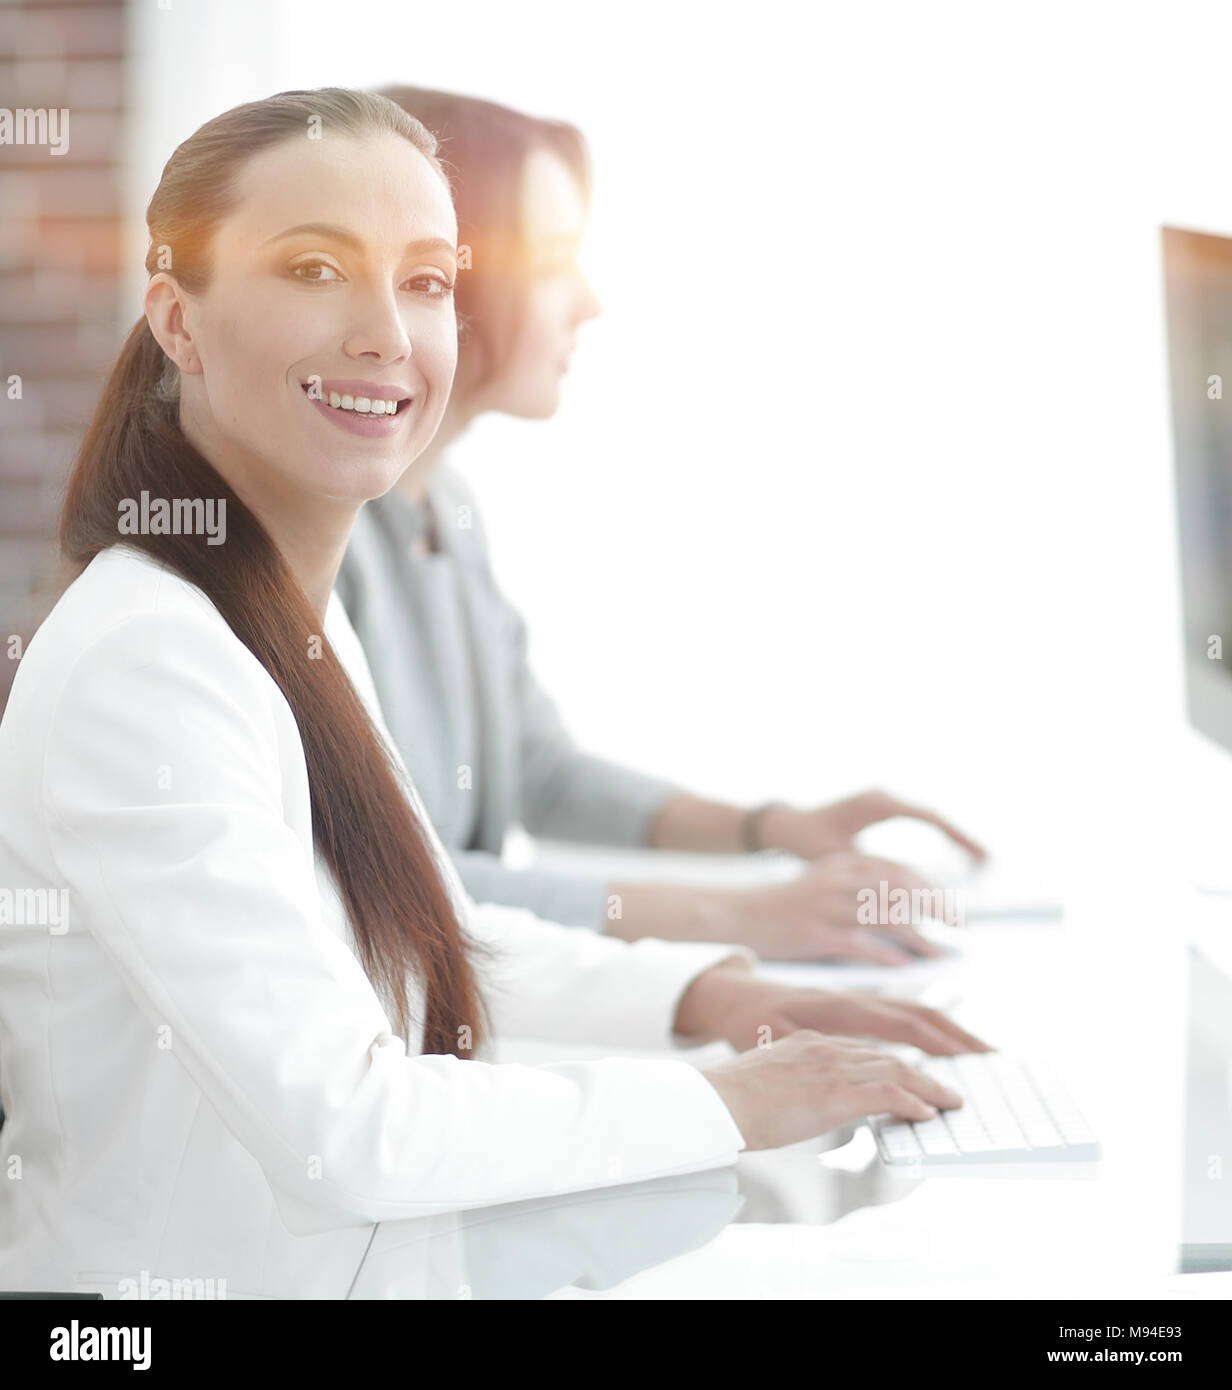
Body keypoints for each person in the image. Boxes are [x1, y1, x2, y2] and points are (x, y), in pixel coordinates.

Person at [0, 88, 987, 1298]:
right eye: (314, 268)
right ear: (179, 321)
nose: (383, 331)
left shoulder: (286, 619)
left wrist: (714, 992)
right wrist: (727, 1096)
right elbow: (347, 1129)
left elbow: (427, 950)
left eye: (424, 282)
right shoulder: (145, 665)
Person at [337, 87, 987, 964]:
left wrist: (773, 829)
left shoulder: (446, 507)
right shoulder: (325, 547)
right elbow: (410, 889)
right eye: (556, 260)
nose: (589, 301)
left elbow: (545, 775)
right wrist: (742, 918)